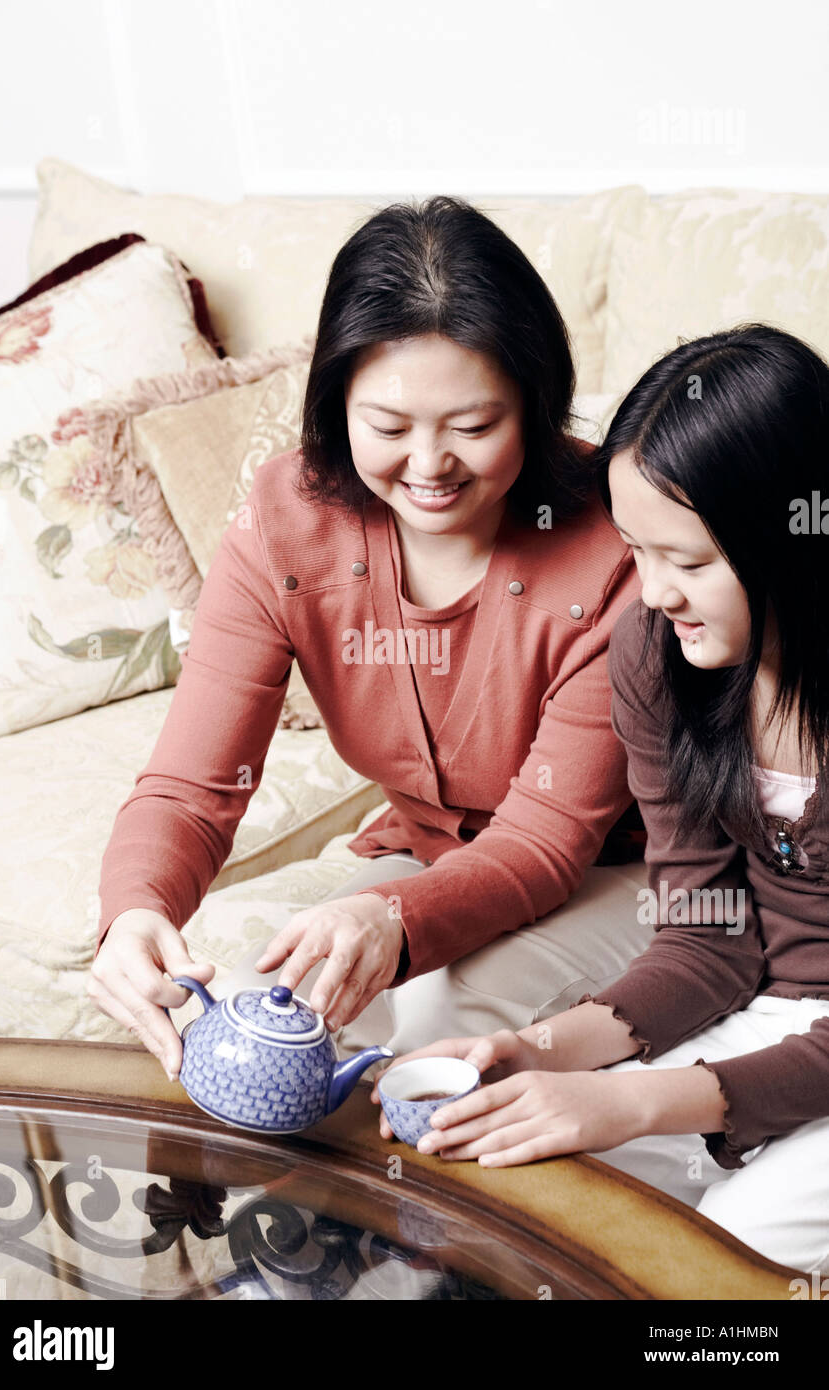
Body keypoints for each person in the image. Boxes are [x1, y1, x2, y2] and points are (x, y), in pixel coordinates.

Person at [88, 195, 649, 1080]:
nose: (429, 467)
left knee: (437, 1020)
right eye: (387, 428)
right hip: (427, 858)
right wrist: (134, 913)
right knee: (245, 1021)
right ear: (336, 403)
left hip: (628, 869)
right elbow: (193, 788)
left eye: (474, 426)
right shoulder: (289, 521)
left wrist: (394, 918)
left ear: (537, 405)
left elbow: (544, 846)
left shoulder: (615, 547)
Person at [372, 323, 829, 1274]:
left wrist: (635, 1099)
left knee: (714, 1251)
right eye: (635, 549)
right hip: (777, 1017)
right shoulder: (659, 656)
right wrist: (545, 1049)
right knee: (546, 1191)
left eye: (691, 561)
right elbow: (707, 935)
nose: (653, 591)